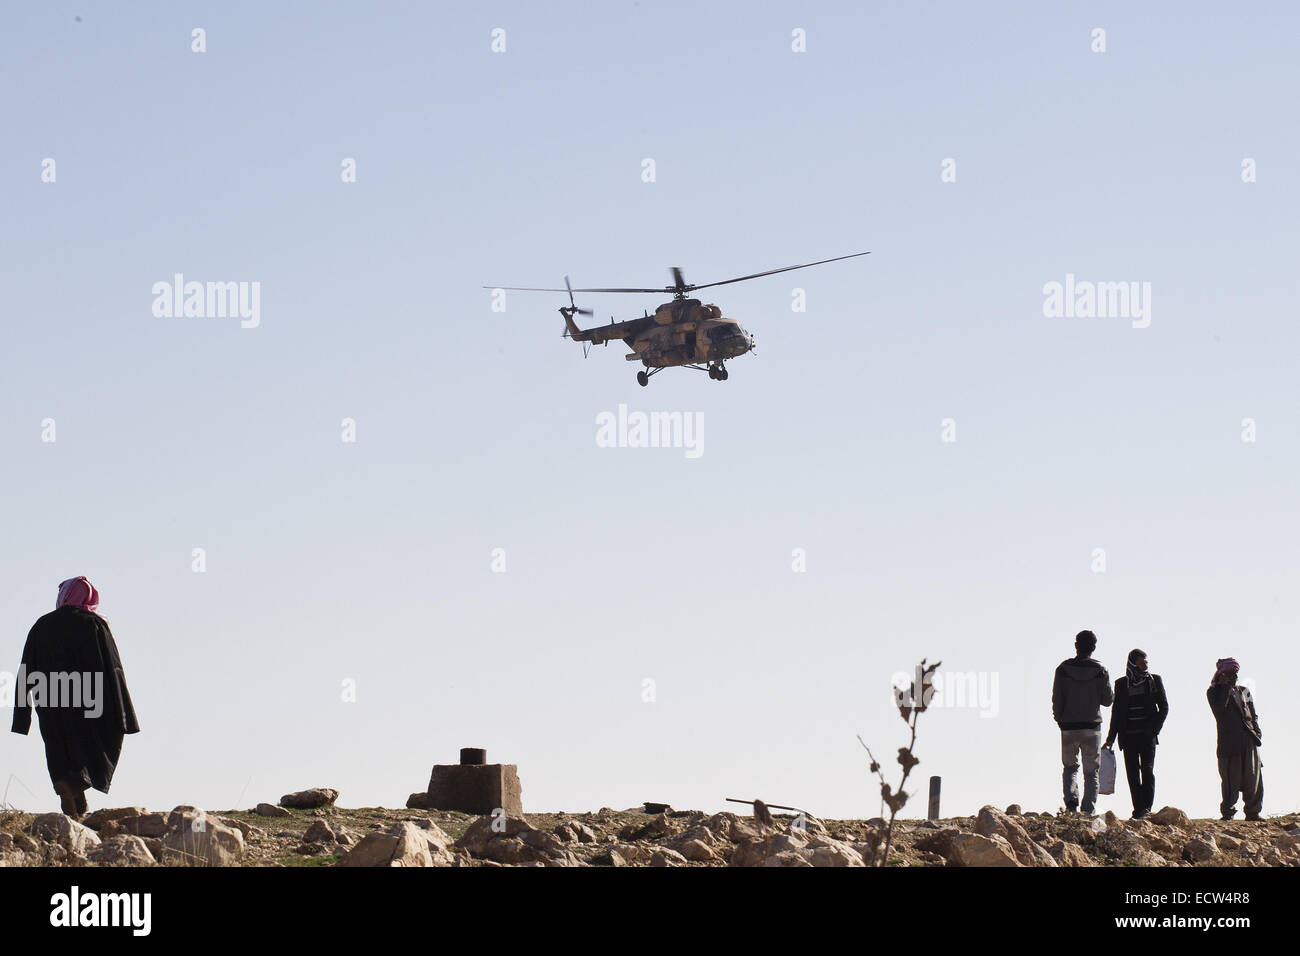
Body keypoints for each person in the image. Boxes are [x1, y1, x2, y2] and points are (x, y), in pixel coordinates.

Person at [10, 577, 140, 818]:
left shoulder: (42, 625)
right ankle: (77, 789)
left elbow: (25, 669)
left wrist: (21, 716)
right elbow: (114, 669)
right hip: (89, 700)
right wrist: (124, 714)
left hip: (50, 698)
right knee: (89, 746)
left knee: (59, 747)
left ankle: (66, 791)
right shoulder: (95, 624)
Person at [1052, 630, 1113, 814]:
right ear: (1093, 647)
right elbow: (1108, 700)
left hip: (1068, 726)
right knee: (1091, 771)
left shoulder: (1063, 669)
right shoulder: (1101, 670)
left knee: (1070, 767)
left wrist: (1059, 719)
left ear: (1076, 645)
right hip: (1092, 726)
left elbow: (1057, 699)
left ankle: (1071, 805)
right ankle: (1088, 810)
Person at [1103, 649, 1168, 818]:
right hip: (1128, 737)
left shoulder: (1154, 681)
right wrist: (1111, 738)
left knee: (1147, 771)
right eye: (1141, 663)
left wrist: (1153, 729)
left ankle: (1146, 808)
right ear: (1132, 664)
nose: (1144, 666)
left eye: (1146, 662)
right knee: (1132, 774)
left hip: (1147, 737)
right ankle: (1138, 810)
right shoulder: (1122, 684)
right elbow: (1116, 714)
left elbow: (1164, 708)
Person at [1206, 658, 1262, 821]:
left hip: (1249, 740)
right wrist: (1224, 688)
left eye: (1235, 673)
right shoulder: (1214, 692)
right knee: (1231, 778)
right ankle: (1228, 812)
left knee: (1253, 777)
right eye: (1230, 673)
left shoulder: (1244, 691)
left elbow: (1253, 714)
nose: (1233, 676)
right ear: (1221, 674)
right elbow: (1219, 711)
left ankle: (1253, 812)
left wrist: (1257, 732)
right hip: (1230, 743)